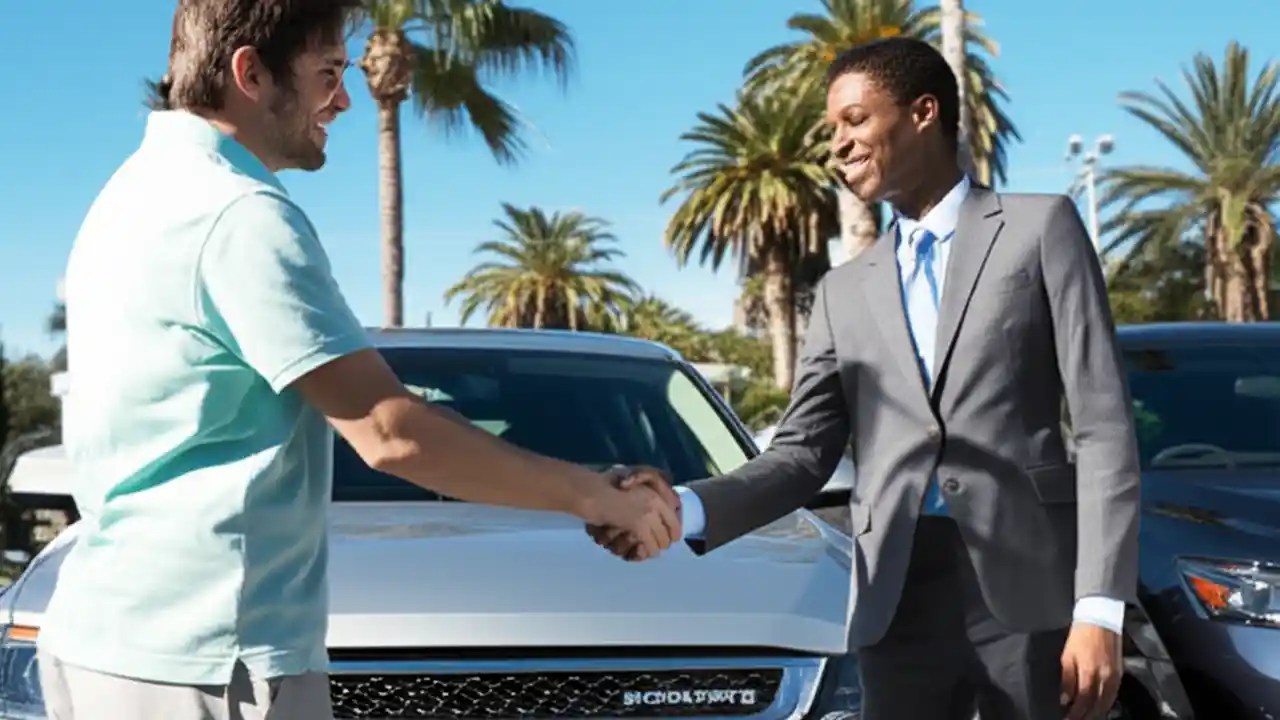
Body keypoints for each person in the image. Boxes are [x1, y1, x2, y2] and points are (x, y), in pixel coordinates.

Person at [38, 2, 680, 718]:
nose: (344, 99)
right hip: (213, 662)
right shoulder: (238, 212)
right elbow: (390, 431)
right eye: (328, 74)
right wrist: (595, 495)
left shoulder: (125, 199)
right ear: (249, 72)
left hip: (101, 644)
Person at [595, 37, 1140, 720]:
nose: (839, 145)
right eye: (831, 131)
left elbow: (1103, 426)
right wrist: (686, 507)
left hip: (1029, 591)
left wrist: (1100, 609)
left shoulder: (1039, 229)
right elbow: (801, 454)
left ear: (922, 112)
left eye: (854, 120)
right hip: (892, 598)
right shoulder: (842, 291)